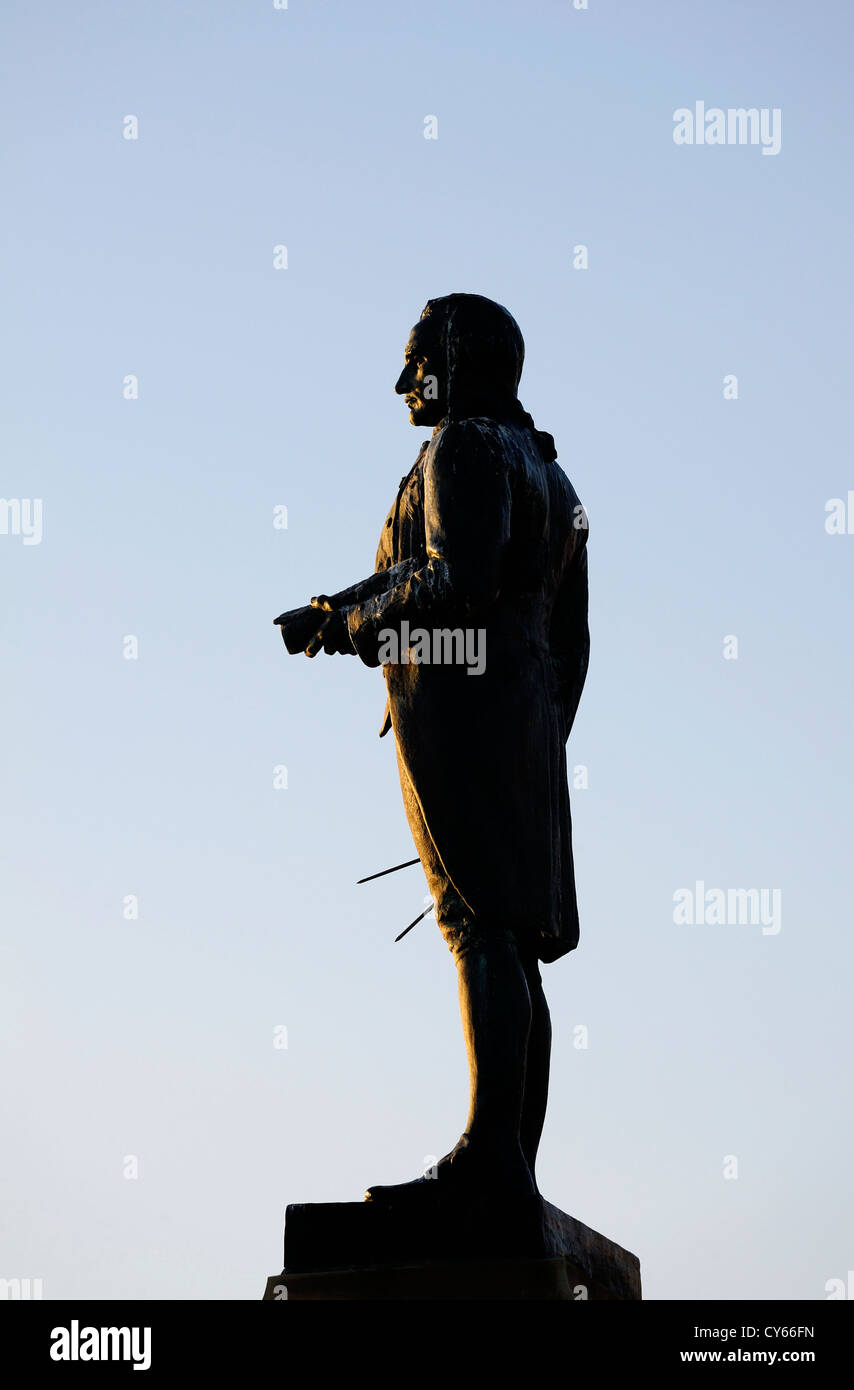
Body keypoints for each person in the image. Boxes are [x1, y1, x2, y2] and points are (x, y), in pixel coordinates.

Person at [278, 293, 589, 1205]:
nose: (403, 380)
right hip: (520, 716)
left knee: (474, 925)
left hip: (464, 716)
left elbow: (453, 581)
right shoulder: (552, 478)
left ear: (455, 362)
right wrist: (537, 725)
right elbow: (571, 641)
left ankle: (490, 1162)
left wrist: (349, 630)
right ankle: (504, 1166)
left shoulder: (460, 447)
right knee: (505, 937)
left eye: (417, 358)